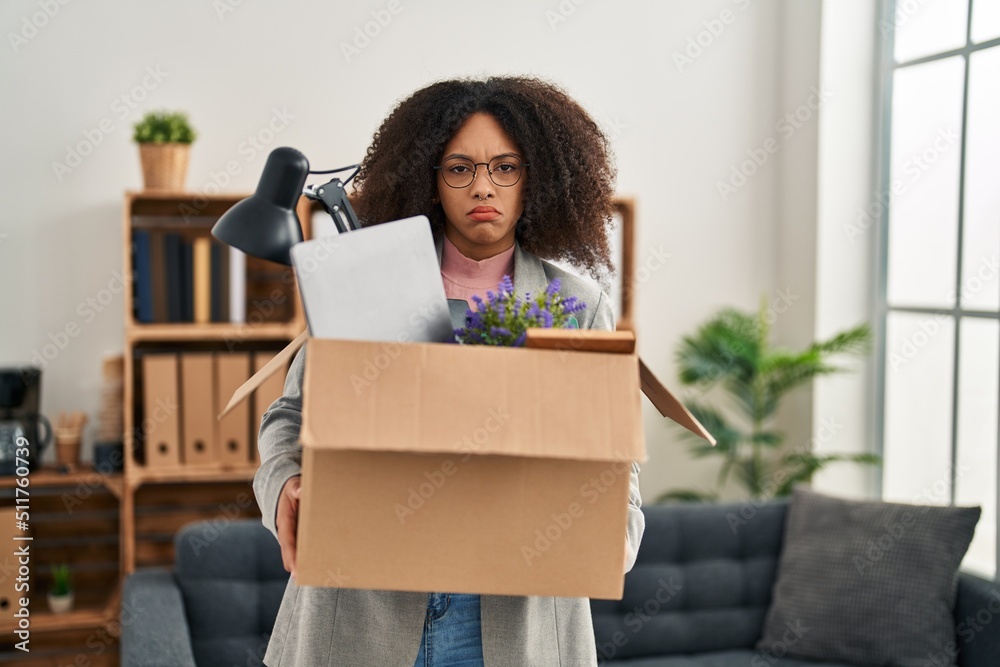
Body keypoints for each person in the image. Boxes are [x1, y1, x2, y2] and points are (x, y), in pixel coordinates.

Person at [254, 76, 645, 667]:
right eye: (459, 168)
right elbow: (292, 414)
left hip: (513, 621)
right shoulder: (369, 276)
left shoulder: (577, 304)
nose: (483, 186)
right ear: (431, 182)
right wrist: (284, 481)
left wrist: (615, 534)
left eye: (505, 167)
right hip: (364, 607)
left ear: (536, 178)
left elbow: (615, 457)